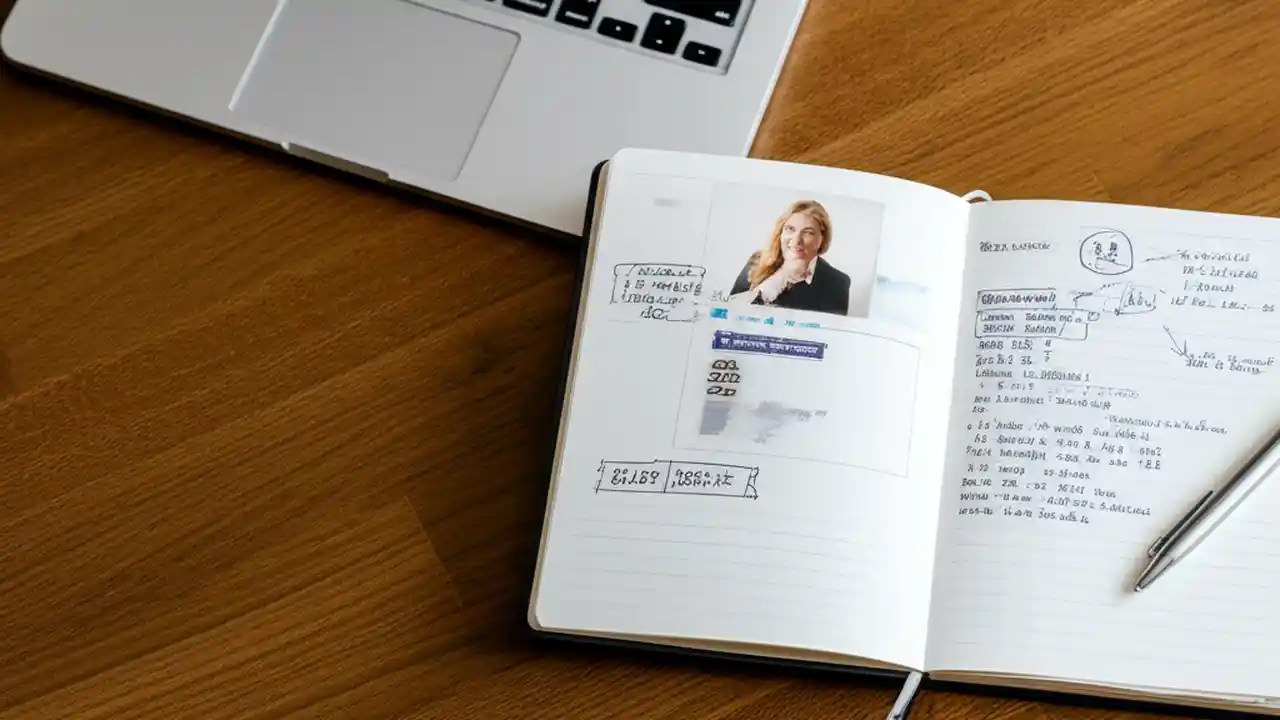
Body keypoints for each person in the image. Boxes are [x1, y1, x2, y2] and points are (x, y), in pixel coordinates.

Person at [729, 200, 852, 316]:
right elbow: (728, 313)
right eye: (790, 229)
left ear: (822, 239)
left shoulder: (837, 283)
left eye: (808, 232)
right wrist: (780, 278)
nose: (797, 240)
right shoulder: (757, 261)